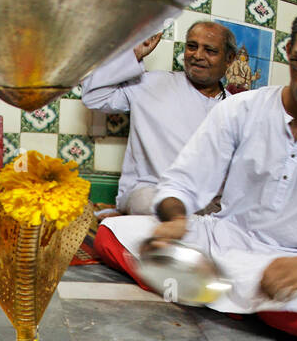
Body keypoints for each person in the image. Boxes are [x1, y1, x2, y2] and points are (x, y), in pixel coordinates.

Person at [97, 6, 297, 341]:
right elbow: (183, 183)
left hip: (288, 266)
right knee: (109, 236)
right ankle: (248, 305)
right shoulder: (240, 110)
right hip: (220, 241)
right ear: (288, 53)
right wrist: (175, 219)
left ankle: (209, 293)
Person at [80, 20, 237, 214]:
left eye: (210, 50)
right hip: (151, 196)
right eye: (192, 47)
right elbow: (94, 97)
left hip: (206, 206)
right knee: (149, 201)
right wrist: (134, 54)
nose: (197, 55)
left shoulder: (236, 109)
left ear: (229, 59)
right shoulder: (151, 84)